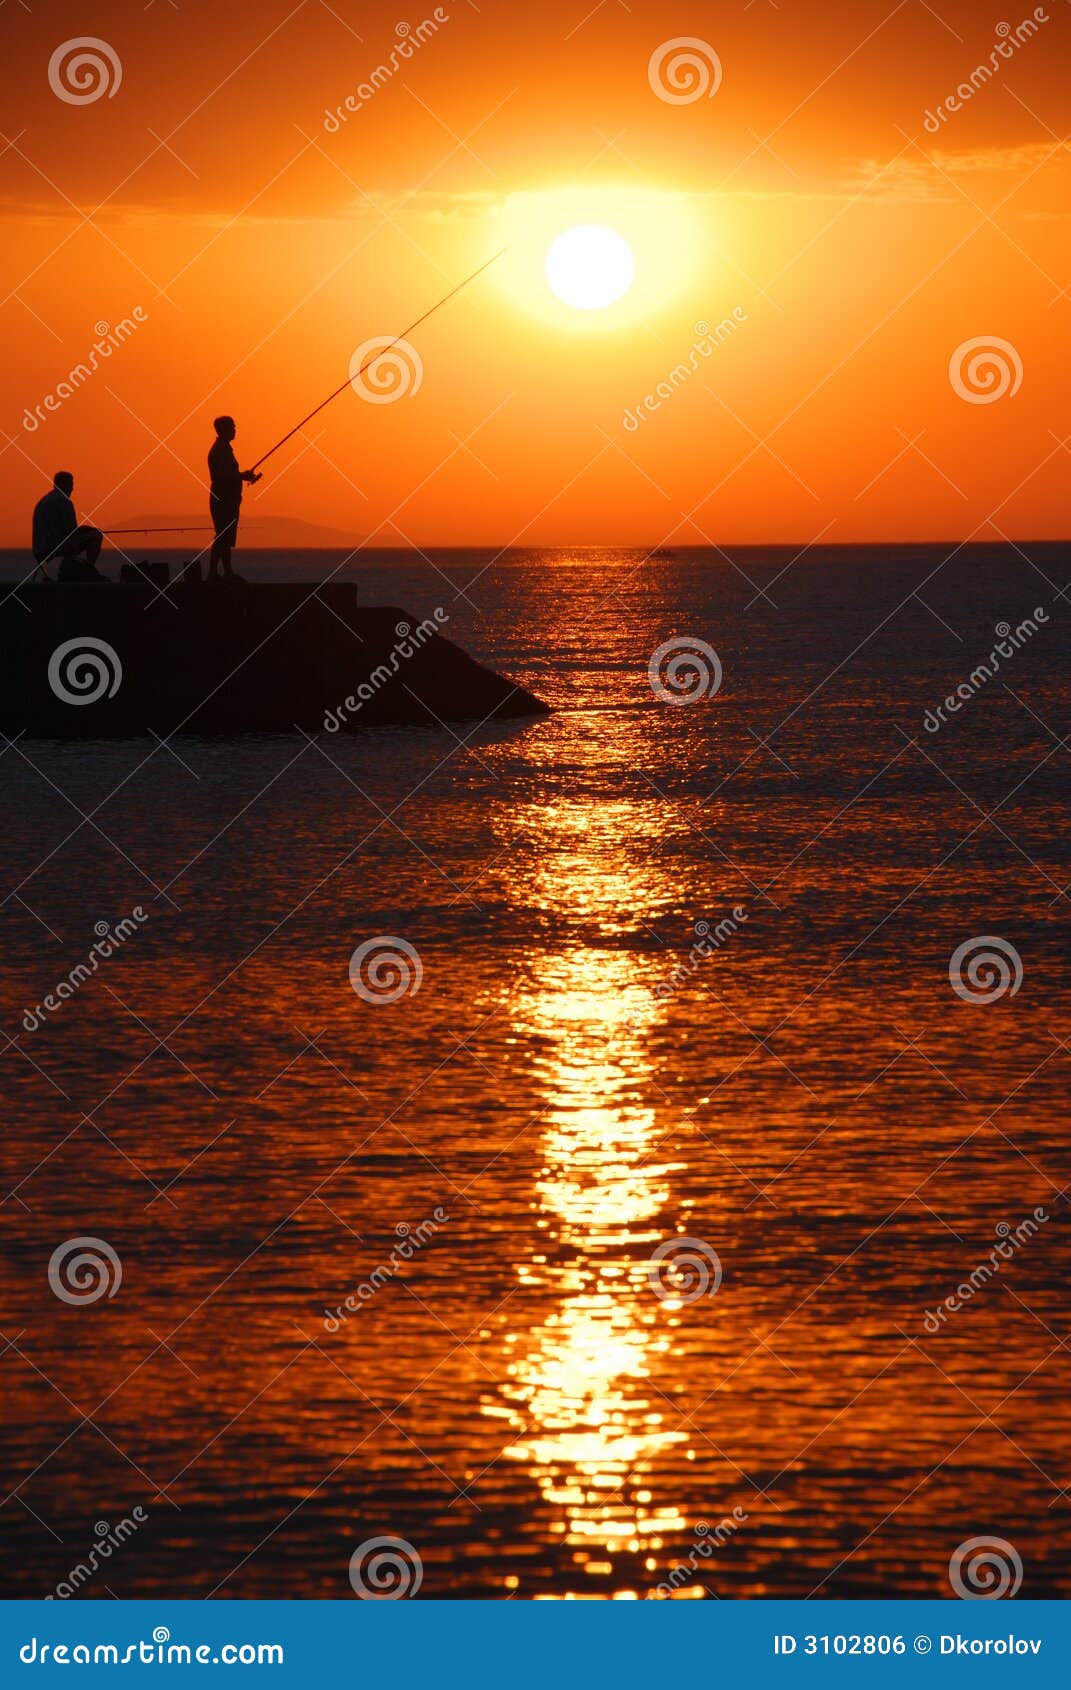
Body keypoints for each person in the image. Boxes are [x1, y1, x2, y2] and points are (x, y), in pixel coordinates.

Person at [208, 416, 260, 581]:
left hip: (227, 498)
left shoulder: (224, 448)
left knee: (225, 536)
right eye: (233, 427)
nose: (235, 429)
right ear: (225, 429)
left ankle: (225, 571)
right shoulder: (221, 449)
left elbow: (229, 475)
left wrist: (242, 476)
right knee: (223, 535)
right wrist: (242, 476)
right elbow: (223, 476)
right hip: (223, 499)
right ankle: (214, 573)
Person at [32, 472, 107, 580]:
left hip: (40, 550)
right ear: (65, 485)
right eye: (71, 484)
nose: (72, 488)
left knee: (89, 532)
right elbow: (71, 532)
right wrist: (88, 531)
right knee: (96, 534)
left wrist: (84, 529)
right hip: (55, 549)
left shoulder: (44, 500)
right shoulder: (64, 501)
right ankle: (90, 570)